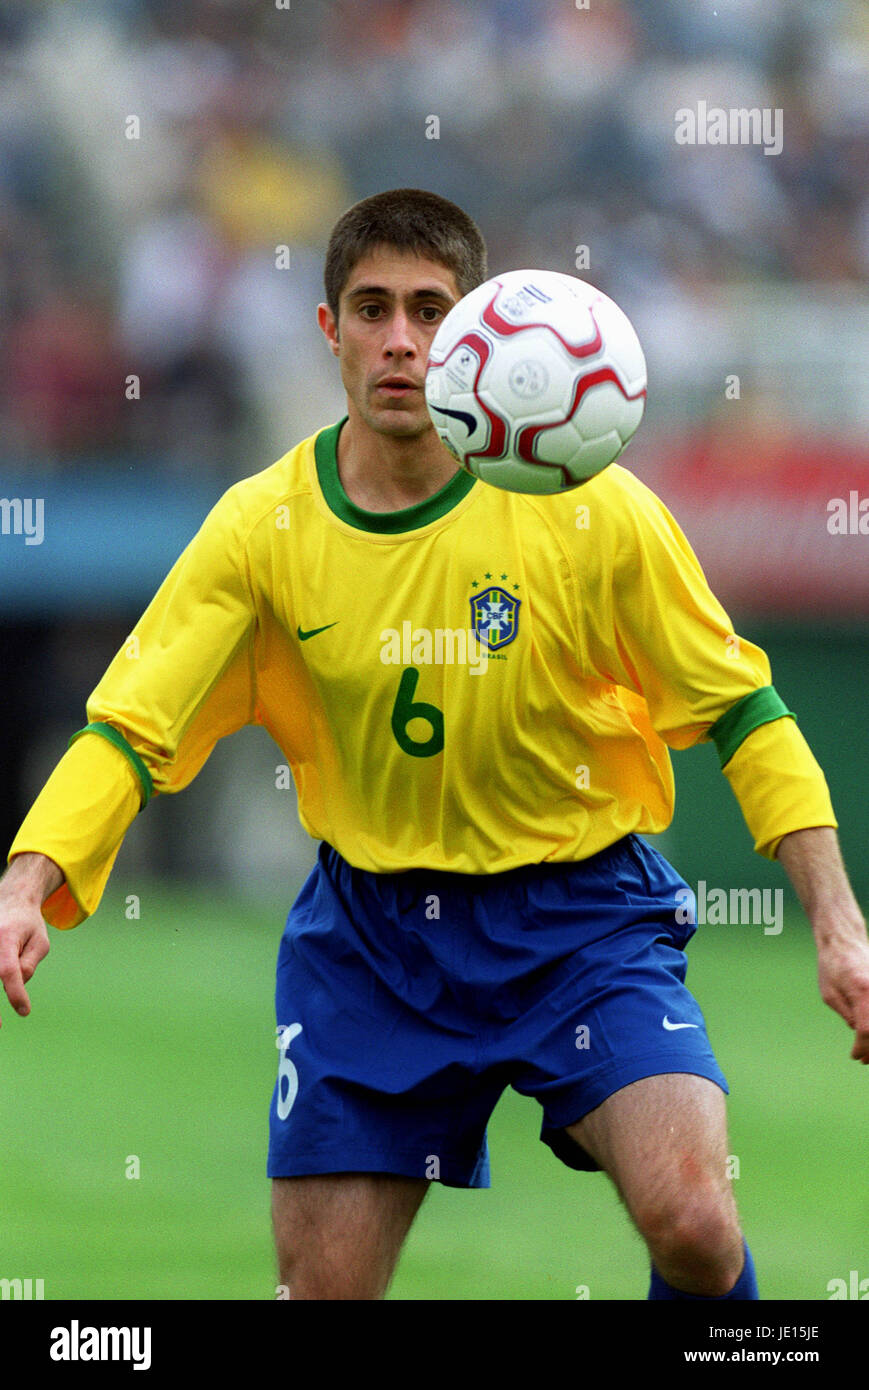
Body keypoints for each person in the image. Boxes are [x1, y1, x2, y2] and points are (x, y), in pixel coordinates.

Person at [2, 188, 868, 1303]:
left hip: (580, 920)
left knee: (694, 1224)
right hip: (372, 945)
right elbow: (129, 728)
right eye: (369, 309)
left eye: (425, 310)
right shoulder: (259, 528)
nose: (399, 339)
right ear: (330, 332)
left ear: (474, 330)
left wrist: (838, 925)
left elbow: (745, 711)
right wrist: (31, 879)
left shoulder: (592, 508)